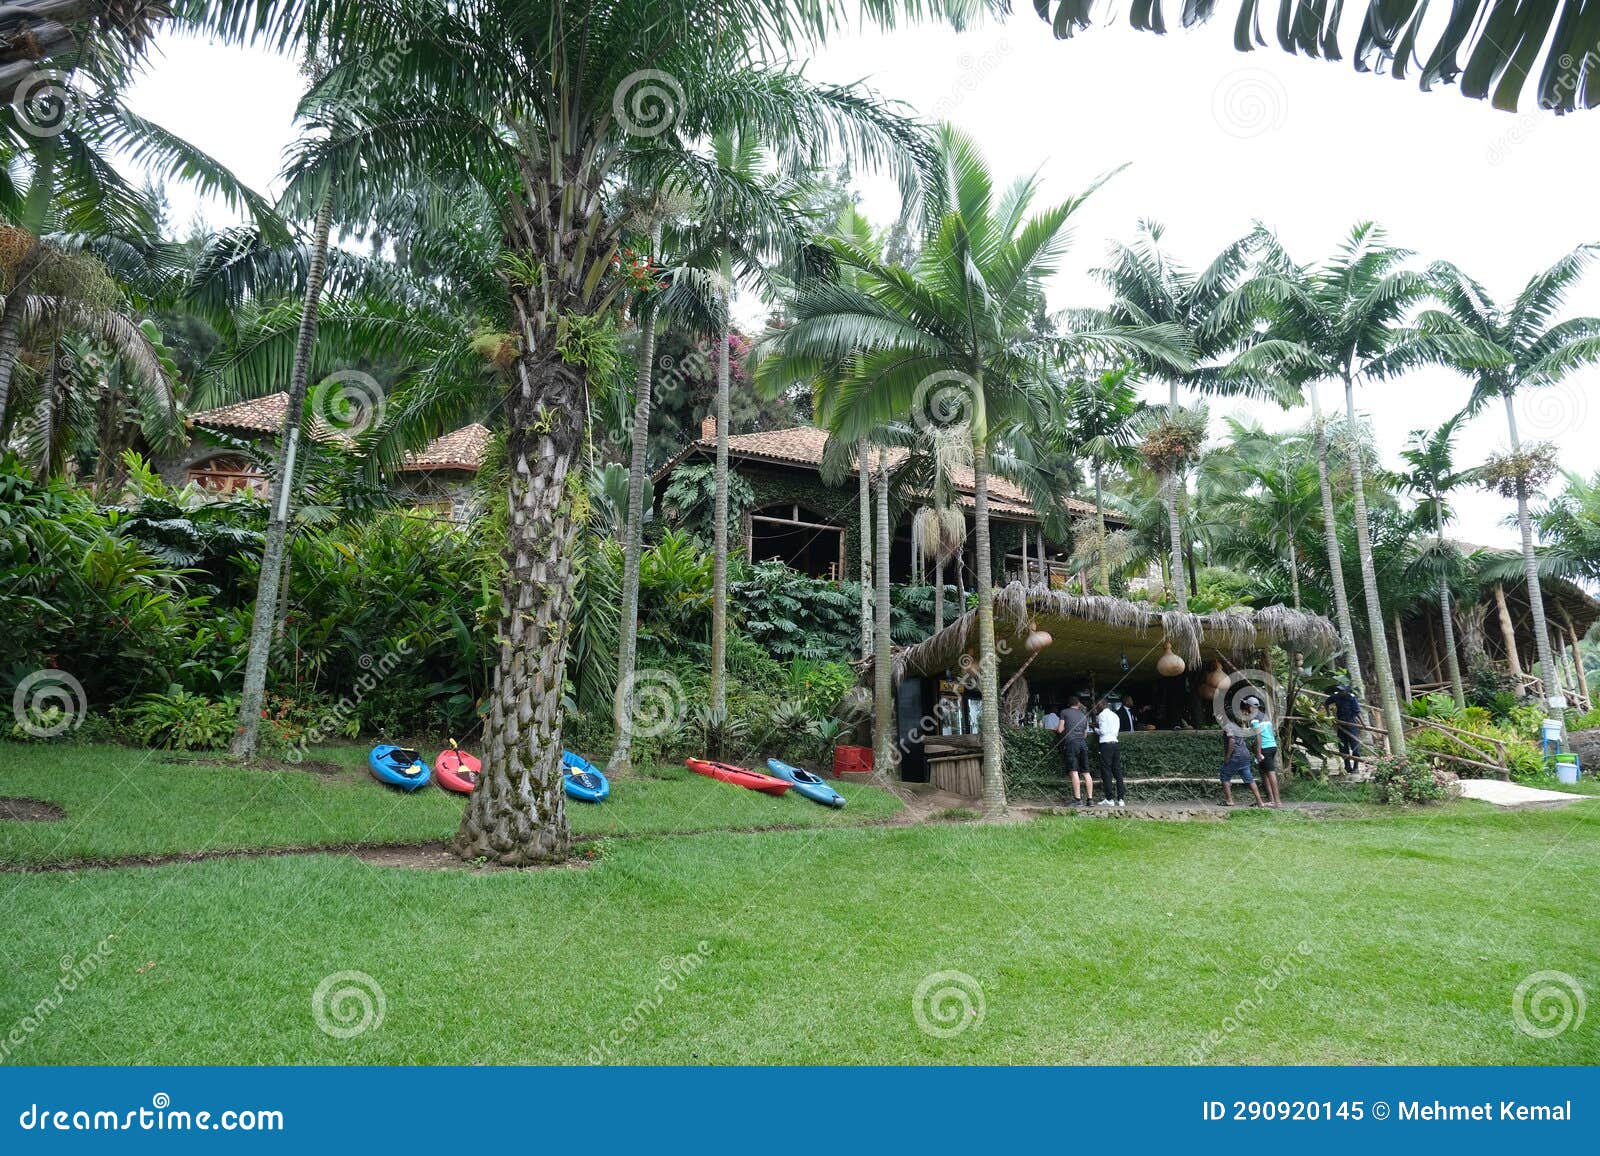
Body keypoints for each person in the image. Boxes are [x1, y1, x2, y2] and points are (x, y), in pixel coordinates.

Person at [1220, 712, 1267, 808]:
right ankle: (1260, 802)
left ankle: (1229, 800)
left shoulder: (1228, 726)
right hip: (1245, 755)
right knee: (1249, 778)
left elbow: (1232, 740)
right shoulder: (1237, 727)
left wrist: (1228, 756)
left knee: (1224, 775)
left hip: (1235, 756)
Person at [1243, 698, 1282, 808]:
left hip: (1265, 748)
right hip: (1272, 746)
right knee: (1264, 773)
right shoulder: (1265, 716)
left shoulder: (1254, 719)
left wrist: (1259, 752)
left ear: (1250, 707)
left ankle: (1277, 802)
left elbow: (1258, 736)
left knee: (1271, 773)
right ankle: (1271, 799)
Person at [1055, 698, 1094, 807]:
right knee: (1086, 772)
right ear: (1078, 704)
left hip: (1071, 743)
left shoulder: (1064, 712)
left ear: (1069, 704)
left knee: (1074, 771)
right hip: (1083, 743)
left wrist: (1056, 729)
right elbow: (1085, 735)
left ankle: (1078, 800)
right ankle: (1090, 800)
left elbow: (1060, 729)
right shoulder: (1083, 715)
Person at [1091, 697, 1125, 808]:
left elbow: (1103, 732)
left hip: (1106, 745)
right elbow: (1115, 732)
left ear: (1102, 704)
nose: (1096, 707)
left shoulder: (1101, 715)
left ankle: (1109, 799)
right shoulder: (1115, 715)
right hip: (1115, 743)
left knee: (1106, 772)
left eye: (1097, 705)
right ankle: (1121, 799)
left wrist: (1094, 728)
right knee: (1117, 771)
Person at [1325, 683, 1364, 775]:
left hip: (1351, 723)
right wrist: (1329, 715)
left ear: (1347, 691)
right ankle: (1347, 766)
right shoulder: (1335, 696)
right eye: (1339, 690)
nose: (1340, 692)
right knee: (1343, 746)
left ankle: (1356, 767)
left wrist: (1363, 724)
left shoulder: (1352, 698)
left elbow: (1357, 712)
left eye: (1342, 691)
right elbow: (1326, 703)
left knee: (1355, 745)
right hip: (1341, 723)